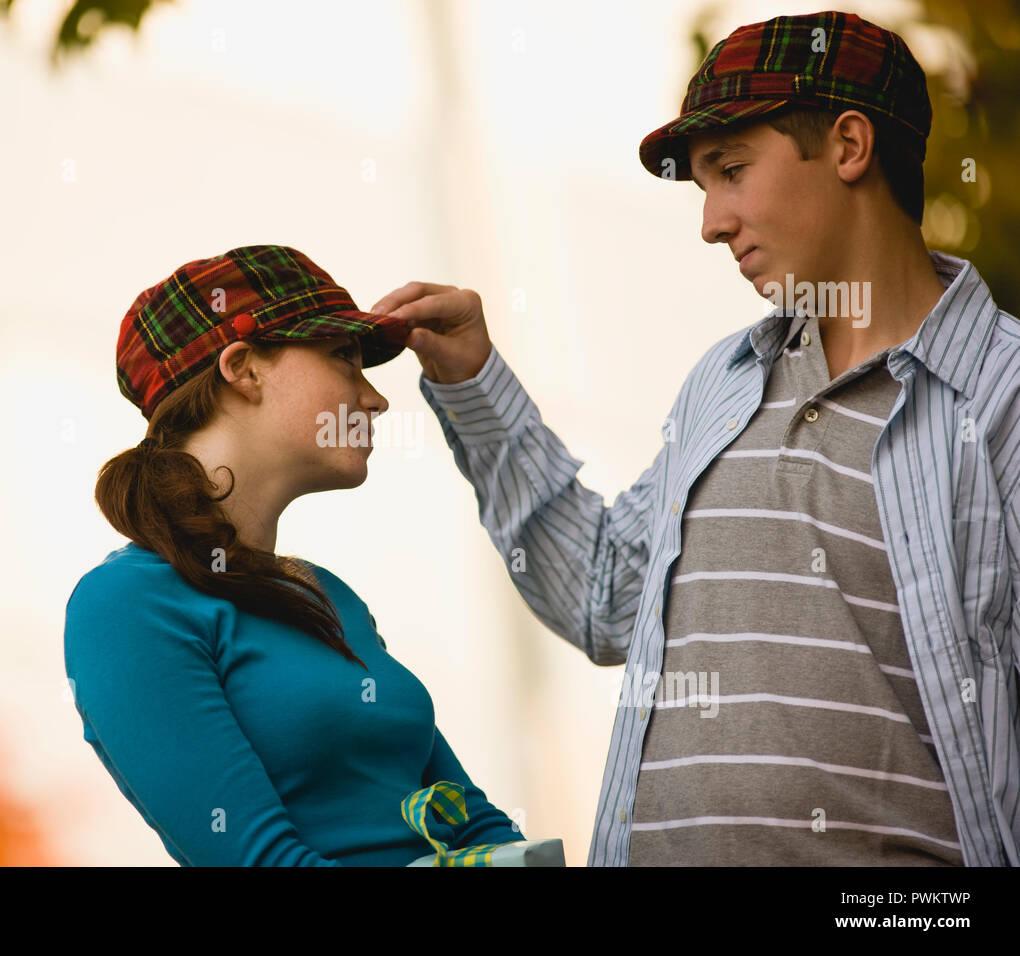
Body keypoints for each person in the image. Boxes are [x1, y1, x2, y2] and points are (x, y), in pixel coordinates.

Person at [372, 10, 1019, 866]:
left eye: (733, 172)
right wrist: (473, 381)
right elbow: (607, 597)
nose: (710, 222)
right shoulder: (723, 383)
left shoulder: (1004, 396)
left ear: (850, 146)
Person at [63, 244, 525, 866]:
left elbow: (471, 822)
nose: (375, 399)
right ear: (243, 368)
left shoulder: (326, 594)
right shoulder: (126, 605)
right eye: (344, 360)